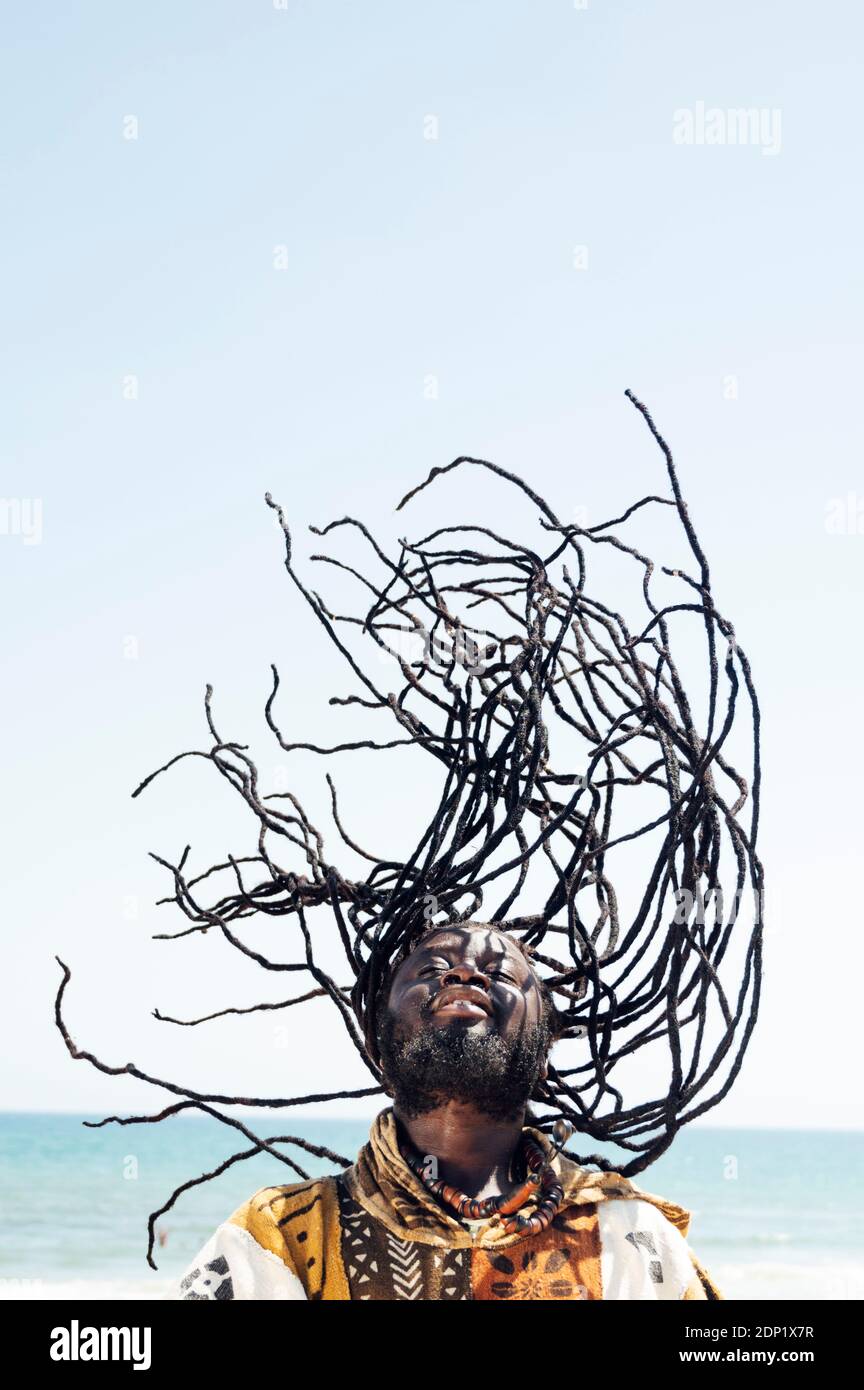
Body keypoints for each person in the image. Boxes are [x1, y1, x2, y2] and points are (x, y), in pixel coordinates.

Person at [170, 922, 722, 1301]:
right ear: (378, 1047)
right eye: (431, 969)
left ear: (544, 1056)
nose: (465, 976)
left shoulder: (624, 1231)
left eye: (501, 975)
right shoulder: (279, 1234)